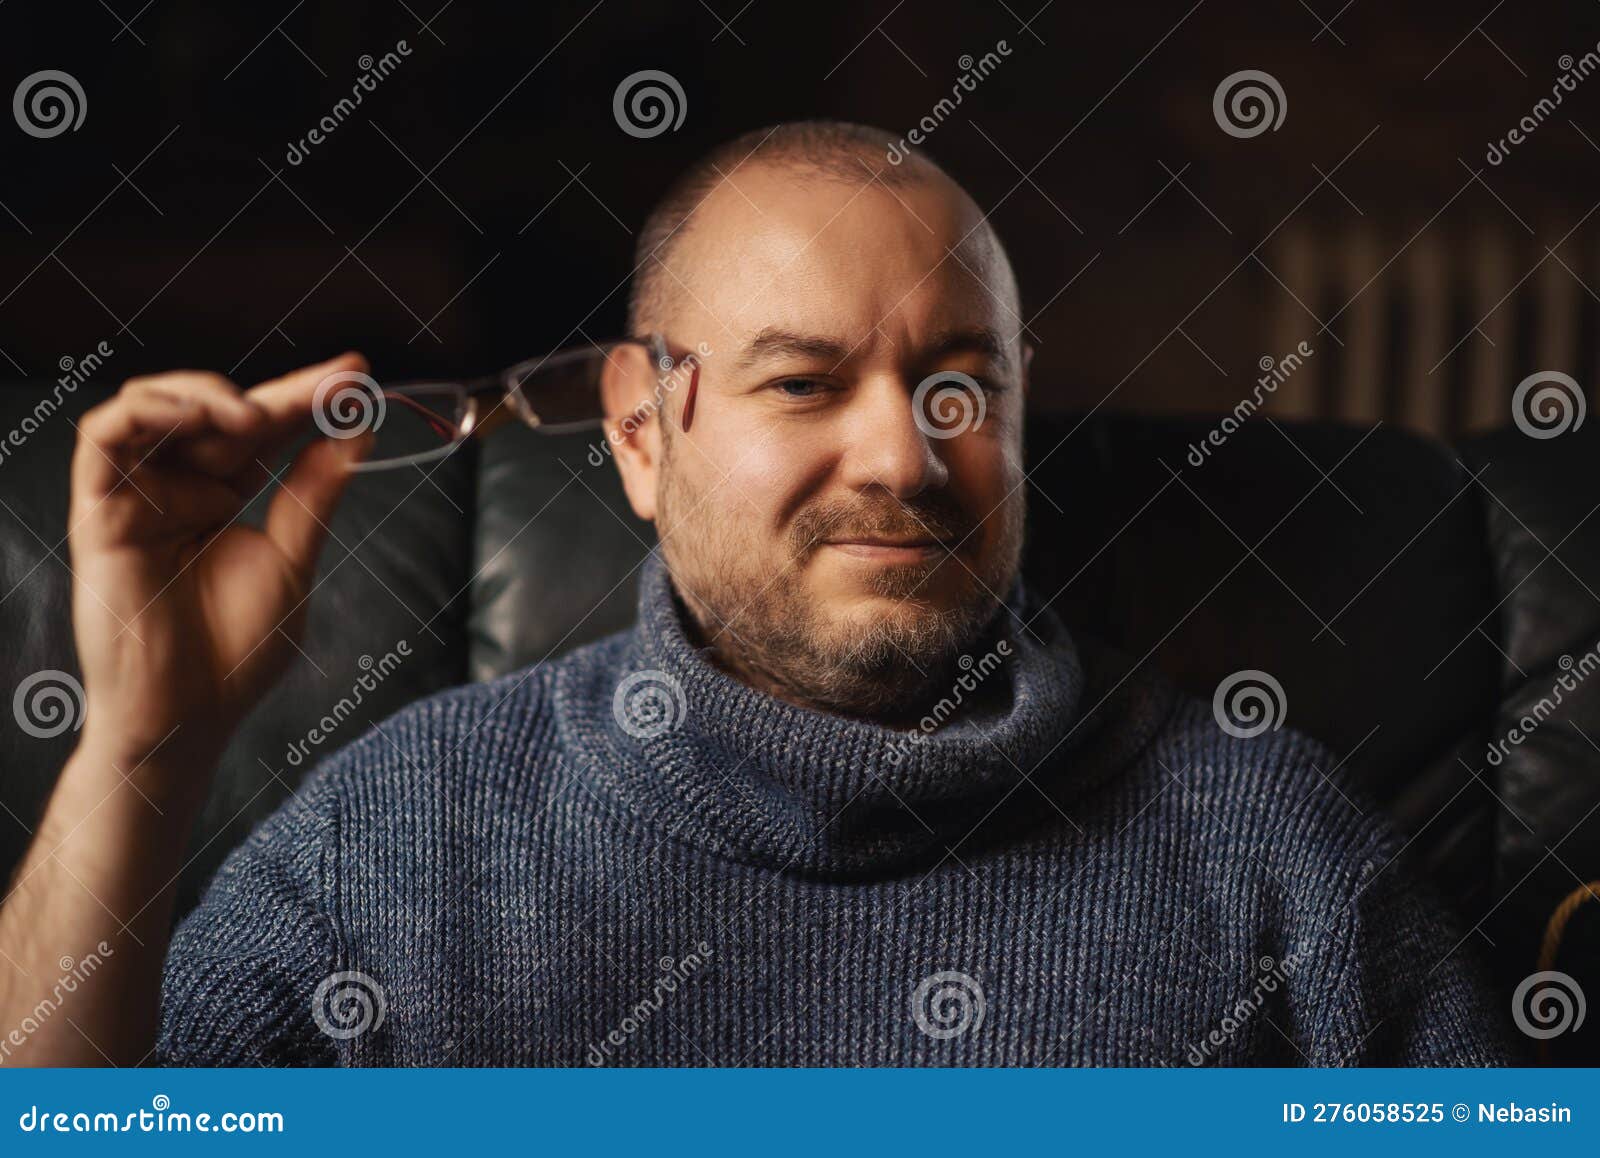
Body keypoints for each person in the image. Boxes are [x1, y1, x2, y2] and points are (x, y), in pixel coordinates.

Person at [0, 121, 1517, 1065]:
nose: (907, 457)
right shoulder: (388, 843)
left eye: (958, 384)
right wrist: (144, 746)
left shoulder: (1274, 852)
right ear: (641, 431)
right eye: (805, 379)